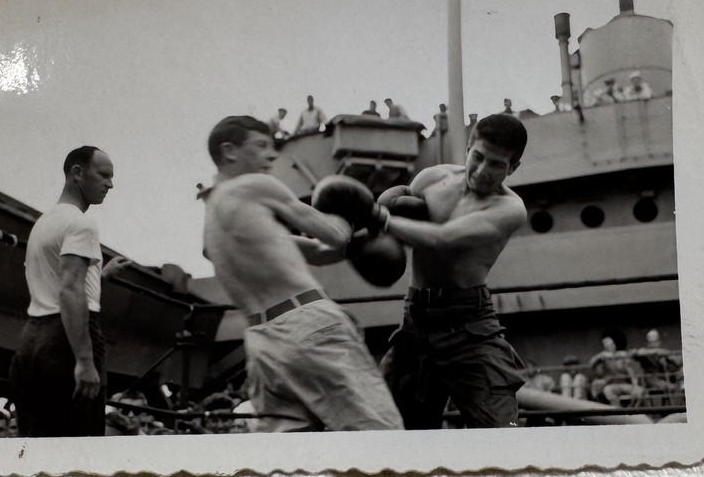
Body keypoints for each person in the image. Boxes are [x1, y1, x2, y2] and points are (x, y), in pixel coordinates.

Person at [201, 116, 403, 432]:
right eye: (261, 146)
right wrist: (368, 214)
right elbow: (334, 235)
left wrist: (361, 238)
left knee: (290, 458)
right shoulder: (255, 185)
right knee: (378, 437)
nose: (272, 155)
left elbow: (322, 252)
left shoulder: (213, 218)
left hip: (261, 344)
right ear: (229, 151)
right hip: (307, 324)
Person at [377, 114, 529, 429]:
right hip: (415, 318)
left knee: (500, 436)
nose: (482, 171)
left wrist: (378, 217)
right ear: (469, 147)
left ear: (512, 168)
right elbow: (400, 199)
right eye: (478, 157)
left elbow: (443, 238)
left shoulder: (510, 209)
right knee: (392, 430)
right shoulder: (432, 179)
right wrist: (383, 206)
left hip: (469, 326)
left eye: (497, 165)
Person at [9, 146, 131, 437]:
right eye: (103, 175)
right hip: (67, 339)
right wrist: (86, 362)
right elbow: (70, 289)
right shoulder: (82, 222)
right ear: (77, 173)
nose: (110, 184)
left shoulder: (42, 224)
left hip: (31, 340)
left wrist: (101, 275)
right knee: (79, 445)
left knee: (37, 440)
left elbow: (57, 283)